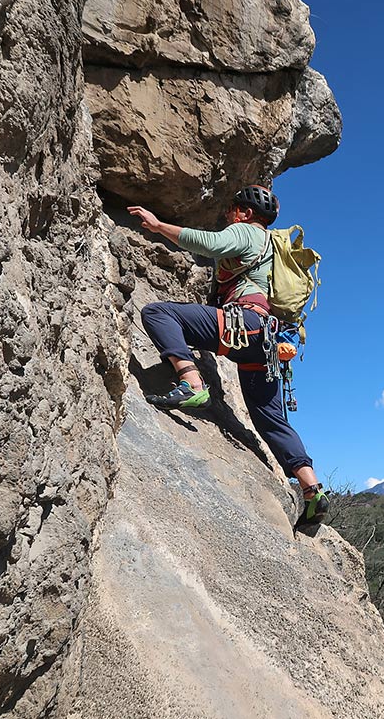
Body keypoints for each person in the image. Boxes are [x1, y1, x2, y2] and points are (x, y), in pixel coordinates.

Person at [128, 185, 329, 526]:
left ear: (247, 213)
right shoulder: (270, 247)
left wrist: (159, 225)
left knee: (158, 314)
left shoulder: (248, 232)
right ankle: (312, 490)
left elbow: (210, 244)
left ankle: (191, 382)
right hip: (264, 340)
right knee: (271, 419)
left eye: (233, 209)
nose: (228, 215)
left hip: (242, 324)